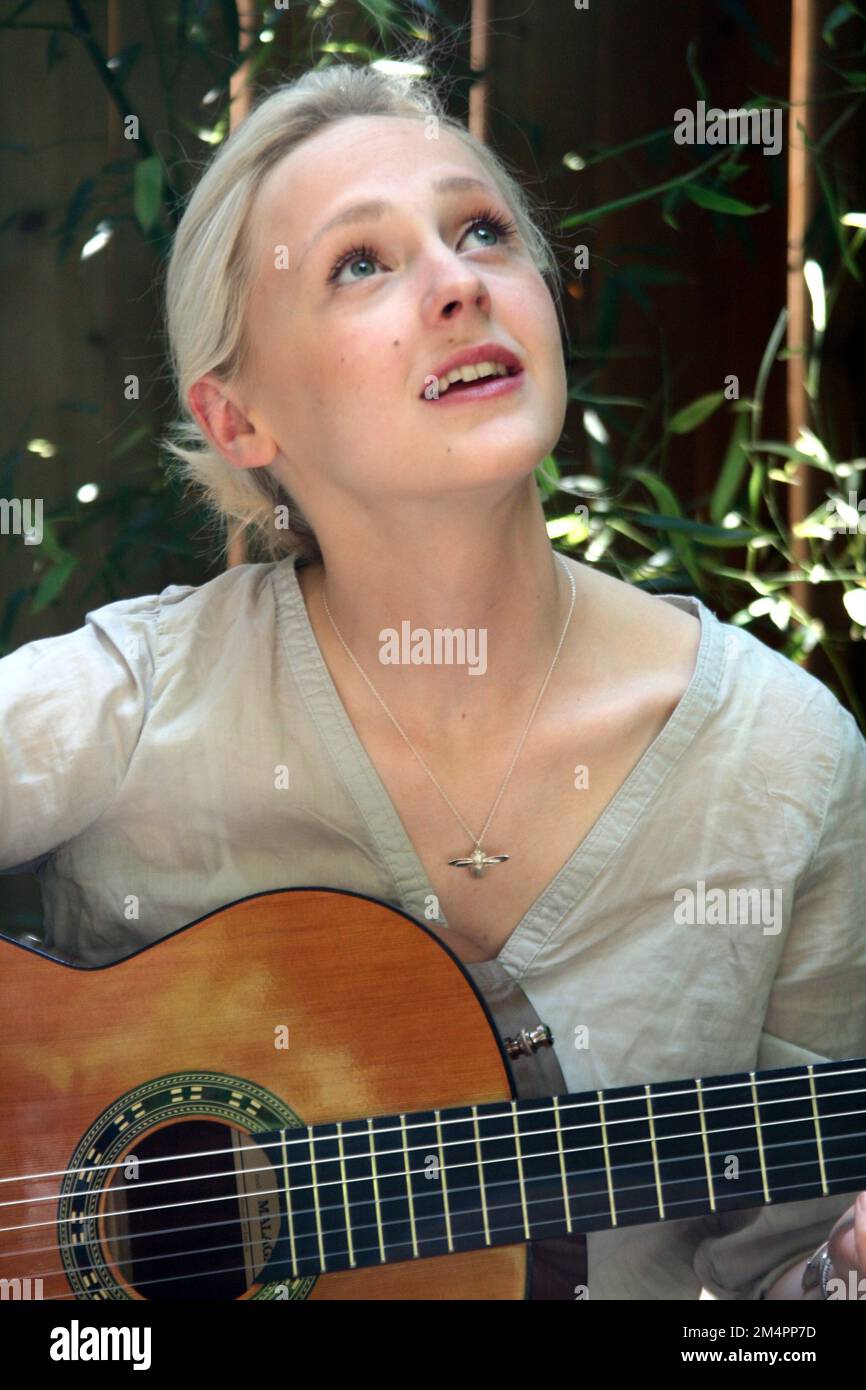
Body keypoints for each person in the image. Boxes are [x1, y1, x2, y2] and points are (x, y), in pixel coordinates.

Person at [1, 62, 864, 1301]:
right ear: (238, 419)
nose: (459, 285)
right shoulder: (135, 702)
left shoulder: (784, 763)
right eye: (360, 263)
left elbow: (770, 1292)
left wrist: (840, 1266)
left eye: (480, 232)